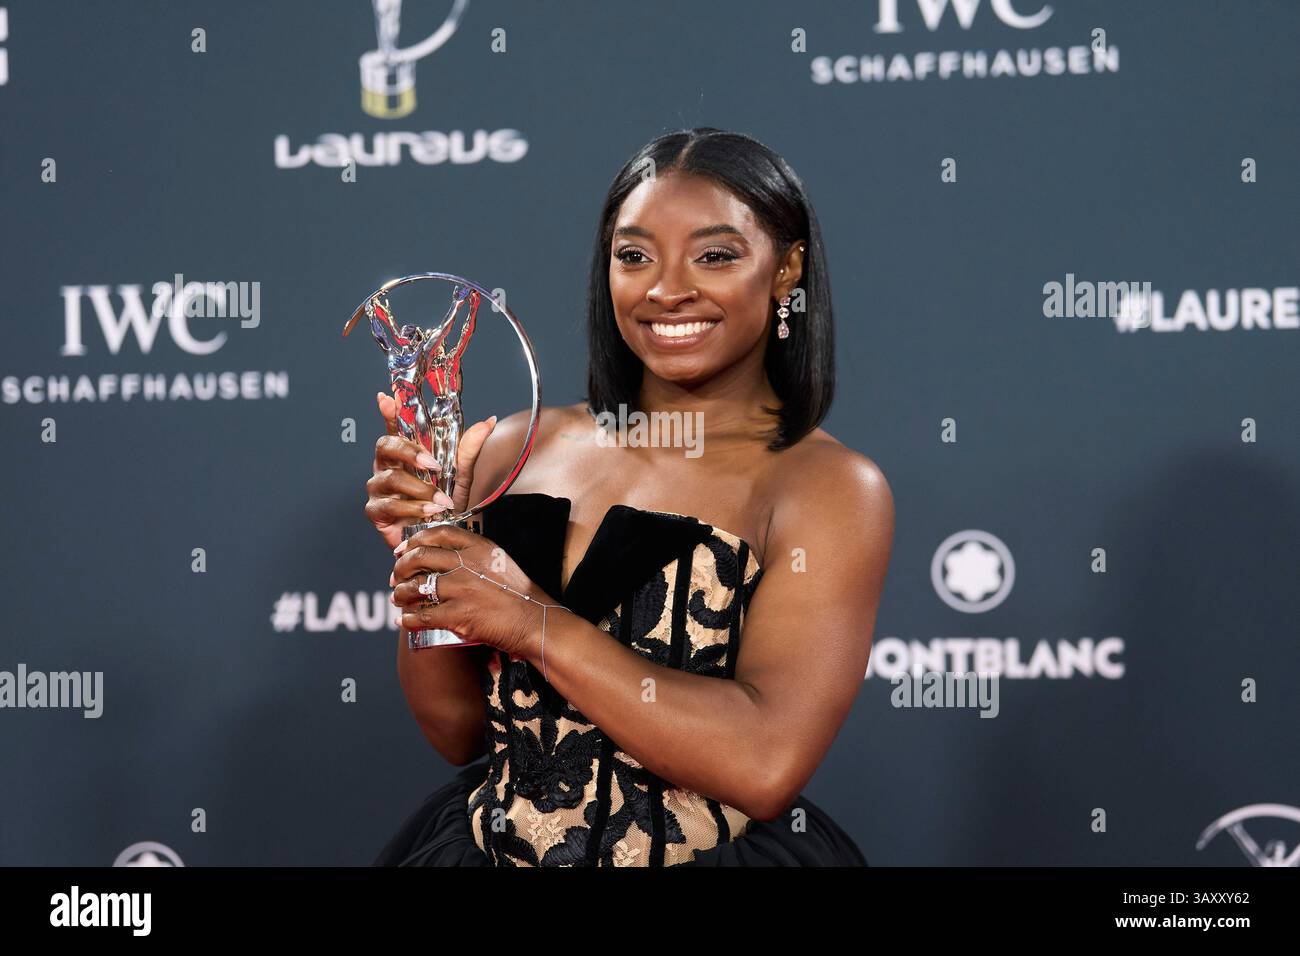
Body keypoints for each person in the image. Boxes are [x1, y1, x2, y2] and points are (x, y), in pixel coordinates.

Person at [365, 127, 894, 867]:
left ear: (786, 270)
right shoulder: (517, 447)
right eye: (634, 255)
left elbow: (765, 764)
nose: (666, 288)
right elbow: (457, 731)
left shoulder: (827, 488)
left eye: (715, 255)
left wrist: (531, 622)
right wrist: (427, 552)